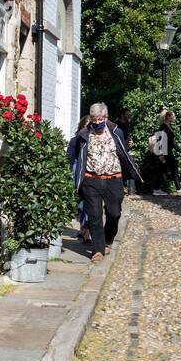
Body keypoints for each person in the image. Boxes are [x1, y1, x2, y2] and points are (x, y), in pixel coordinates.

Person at [69, 103, 143, 263]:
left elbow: (124, 152)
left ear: (106, 117)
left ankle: (108, 239)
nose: (97, 123)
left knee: (114, 213)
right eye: (94, 120)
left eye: (100, 119)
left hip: (113, 179)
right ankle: (98, 250)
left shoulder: (117, 132)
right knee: (94, 215)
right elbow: (76, 155)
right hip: (91, 180)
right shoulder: (83, 135)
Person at [152, 109, 181, 196]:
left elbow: (172, 141)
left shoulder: (168, 127)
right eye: (173, 116)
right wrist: (160, 155)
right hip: (165, 154)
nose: (174, 117)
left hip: (168, 153)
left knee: (163, 171)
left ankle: (157, 189)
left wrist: (180, 149)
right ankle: (178, 189)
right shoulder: (163, 128)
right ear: (168, 117)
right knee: (170, 169)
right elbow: (159, 142)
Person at [67, 115, 91, 243]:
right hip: (77, 174)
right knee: (80, 203)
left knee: (88, 202)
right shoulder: (74, 140)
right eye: (86, 125)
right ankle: (83, 229)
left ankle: (86, 233)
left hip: (90, 175)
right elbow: (70, 159)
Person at [115, 108, 136, 197]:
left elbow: (127, 135)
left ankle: (128, 190)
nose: (129, 116)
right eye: (127, 114)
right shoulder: (117, 125)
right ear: (122, 114)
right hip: (119, 150)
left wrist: (130, 141)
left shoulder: (126, 124)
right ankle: (119, 189)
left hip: (125, 149)